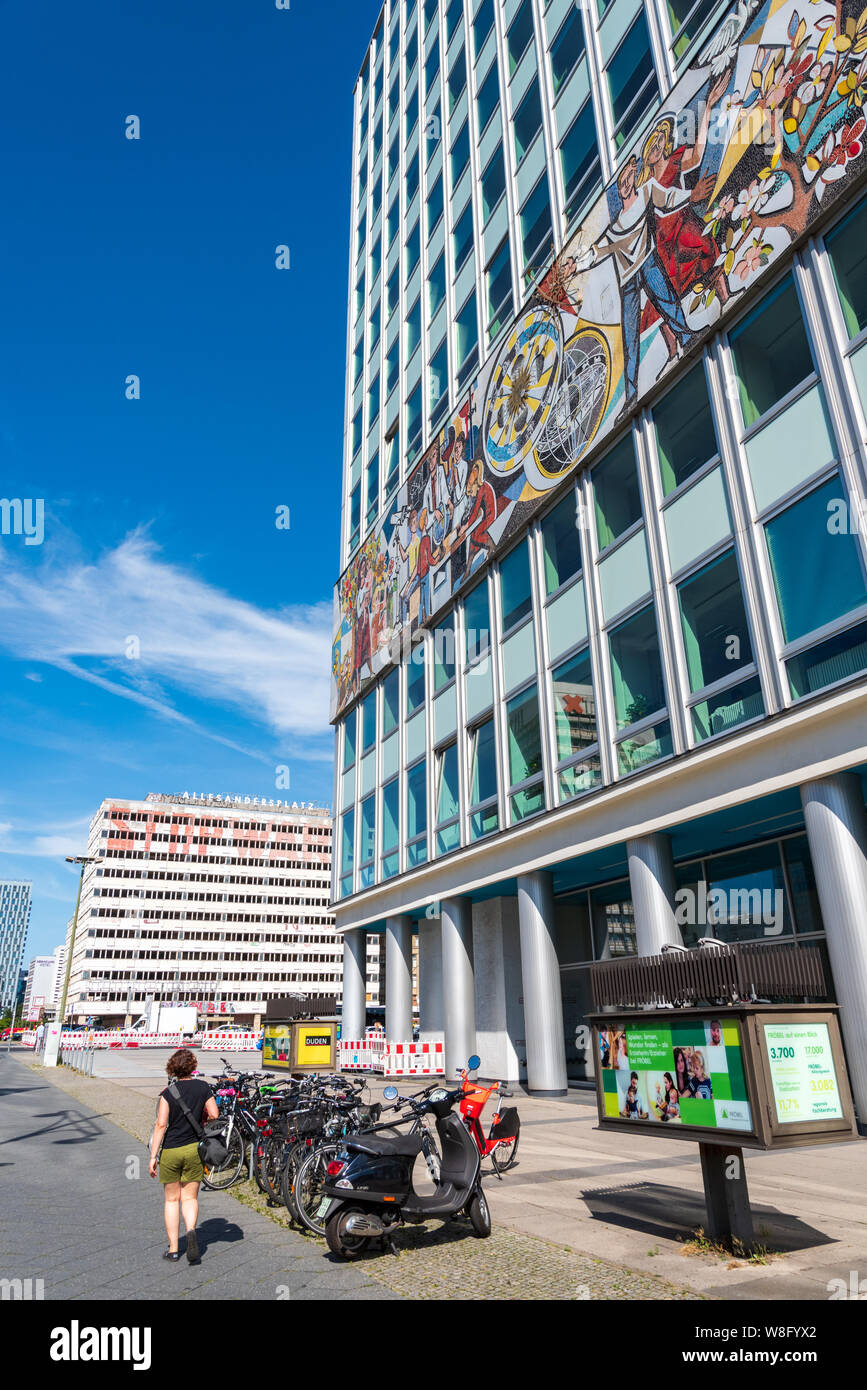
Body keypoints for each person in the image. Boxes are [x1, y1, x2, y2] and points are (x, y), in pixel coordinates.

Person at [576, 155, 715, 417]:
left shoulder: (647, 192)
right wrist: (575, 265)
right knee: (630, 338)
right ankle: (631, 396)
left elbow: (668, 200)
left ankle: (686, 336)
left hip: (647, 260)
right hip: (627, 279)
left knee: (667, 300)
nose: (625, 185)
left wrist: (692, 195)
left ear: (634, 179)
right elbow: (597, 252)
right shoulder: (615, 225)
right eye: (622, 182)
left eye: (629, 177)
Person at [148, 1048, 219, 1264]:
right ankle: (190, 1230)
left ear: (173, 1068)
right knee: (190, 1198)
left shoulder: (168, 1093)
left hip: (171, 1150)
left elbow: (161, 1125)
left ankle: (173, 1250)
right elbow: (215, 1114)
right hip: (193, 1150)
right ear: (193, 1066)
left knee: (171, 1200)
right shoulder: (203, 1087)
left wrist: (153, 1156)